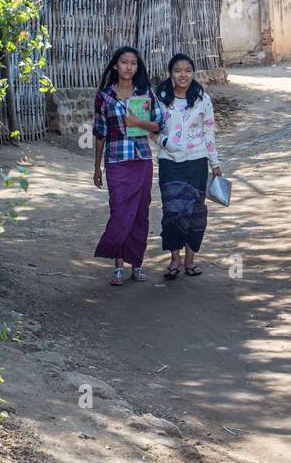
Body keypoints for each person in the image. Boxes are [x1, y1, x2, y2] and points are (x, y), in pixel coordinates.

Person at [92, 46, 165, 285]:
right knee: (120, 211)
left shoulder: (145, 93)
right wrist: (97, 168)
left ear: (137, 67)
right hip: (116, 160)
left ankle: (137, 265)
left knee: (140, 213)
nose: (128, 67)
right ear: (115, 65)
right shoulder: (104, 96)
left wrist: (137, 122)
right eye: (124, 62)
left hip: (142, 159)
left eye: (133, 63)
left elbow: (158, 125)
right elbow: (100, 133)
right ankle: (118, 267)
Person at [154, 53, 223, 279]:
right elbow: (150, 128)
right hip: (169, 163)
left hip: (197, 161)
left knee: (195, 211)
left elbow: (208, 132)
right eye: (177, 70)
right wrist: (165, 142)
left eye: (187, 70)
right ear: (171, 73)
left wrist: (215, 163)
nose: (183, 75)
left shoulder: (202, 98)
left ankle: (190, 260)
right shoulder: (160, 97)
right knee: (172, 210)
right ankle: (174, 259)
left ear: (193, 73)